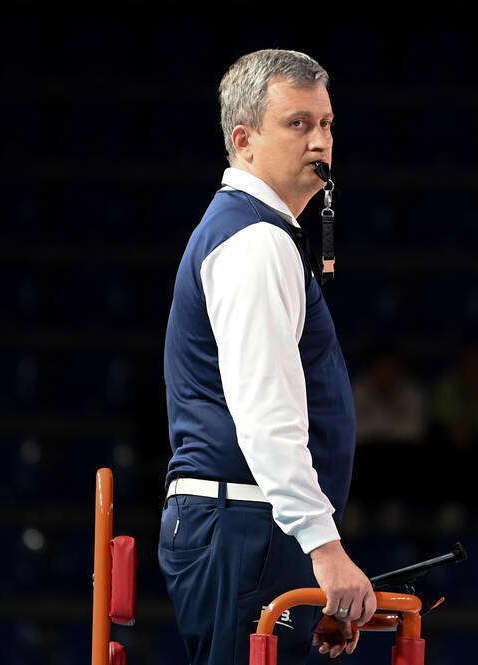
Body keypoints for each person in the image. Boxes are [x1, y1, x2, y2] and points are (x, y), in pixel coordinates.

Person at [159, 49, 374, 665]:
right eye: (298, 124)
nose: (319, 141)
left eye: (327, 124)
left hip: (249, 525)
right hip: (246, 525)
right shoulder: (255, 241)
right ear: (244, 140)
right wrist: (324, 548)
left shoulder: (254, 233)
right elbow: (266, 410)